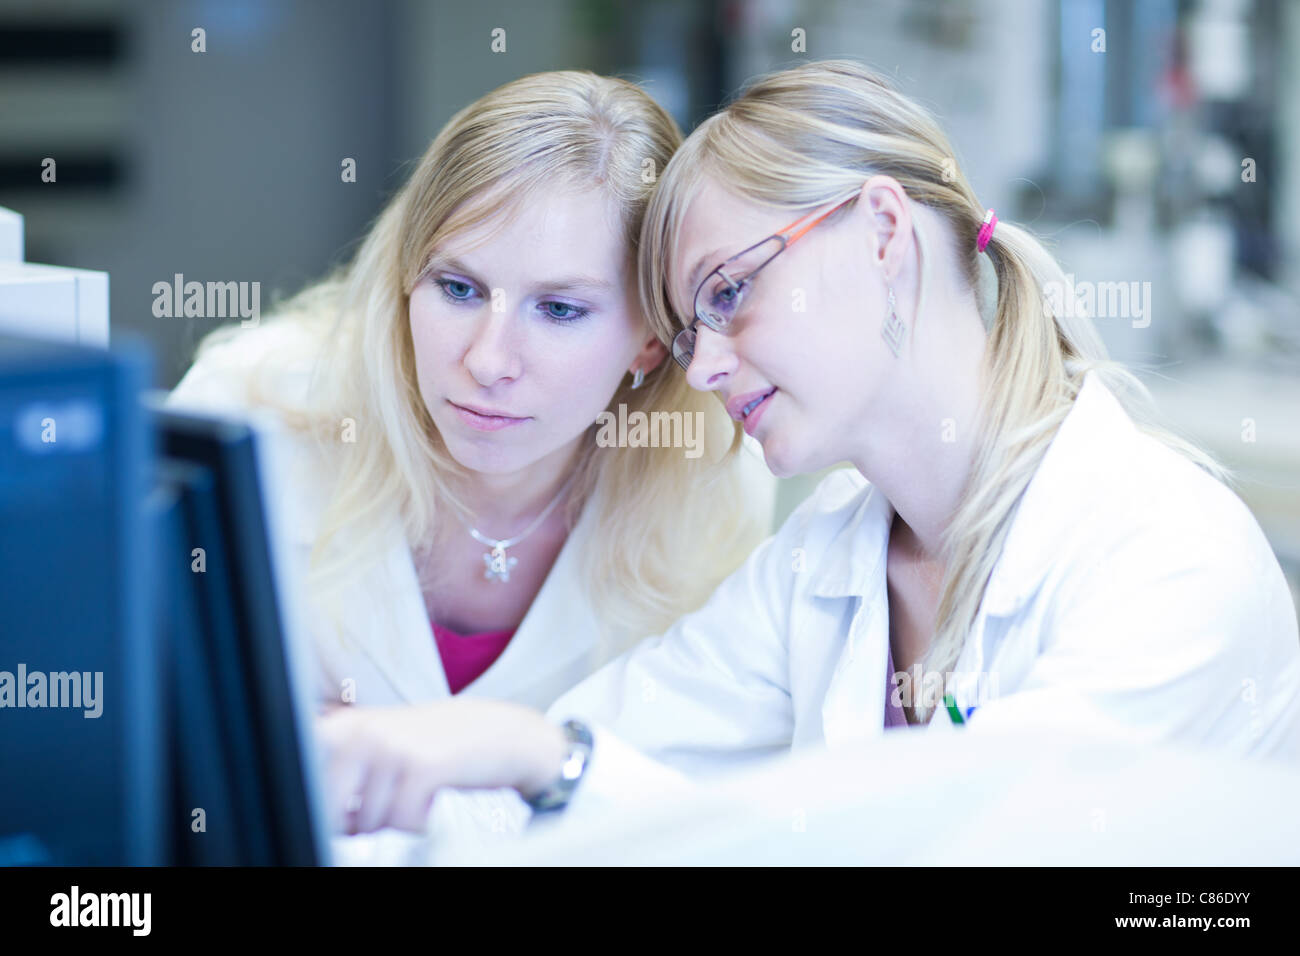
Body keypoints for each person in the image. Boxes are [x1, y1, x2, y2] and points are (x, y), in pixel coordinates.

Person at [316, 59, 1300, 836]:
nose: (701, 369)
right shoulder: (822, 563)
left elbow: (969, 843)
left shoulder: (1163, 558)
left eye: (729, 294)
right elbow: (580, 778)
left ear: (879, 230)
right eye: (687, 327)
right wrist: (490, 755)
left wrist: (545, 755)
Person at [165, 70, 775, 732]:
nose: (487, 361)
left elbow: (687, 783)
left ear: (651, 342)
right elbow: (137, 713)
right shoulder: (241, 413)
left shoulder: (712, 483)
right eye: (458, 288)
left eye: (559, 308)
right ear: (405, 275)